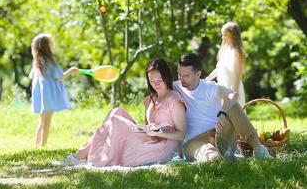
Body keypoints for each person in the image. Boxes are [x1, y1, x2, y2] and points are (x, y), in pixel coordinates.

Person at [53, 58, 187, 167]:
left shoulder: (174, 100)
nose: (156, 84)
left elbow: (181, 134)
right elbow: (149, 126)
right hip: (151, 137)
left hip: (163, 147)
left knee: (116, 122)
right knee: (117, 112)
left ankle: (81, 155)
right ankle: (82, 154)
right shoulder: (151, 99)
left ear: (167, 78)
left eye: (160, 80)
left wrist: (160, 133)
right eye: (152, 81)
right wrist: (150, 126)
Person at [173, 53, 271, 162]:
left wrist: (222, 113)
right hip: (194, 141)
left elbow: (233, 95)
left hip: (219, 133)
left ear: (198, 74)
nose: (181, 79)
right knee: (207, 153)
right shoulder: (175, 87)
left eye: (186, 75)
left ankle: (258, 148)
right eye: (179, 74)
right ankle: (221, 158)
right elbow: (158, 89)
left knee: (232, 104)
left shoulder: (208, 87)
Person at [29, 33, 78, 147]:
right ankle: (43, 146)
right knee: (47, 123)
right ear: (47, 46)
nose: (53, 45)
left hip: (41, 97)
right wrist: (71, 70)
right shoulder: (50, 62)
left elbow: (32, 77)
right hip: (49, 97)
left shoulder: (37, 63)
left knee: (41, 122)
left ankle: (36, 146)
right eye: (52, 43)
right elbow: (59, 77)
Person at [206, 22, 246, 106]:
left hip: (233, 86)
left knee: (235, 114)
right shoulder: (225, 49)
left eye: (225, 35)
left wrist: (235, 91)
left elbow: (239, 73)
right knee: (222, 113)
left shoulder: (238, 52)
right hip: (223, 85)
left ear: (232, 35)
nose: (222, 37)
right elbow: (219, 69)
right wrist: (207, 79)